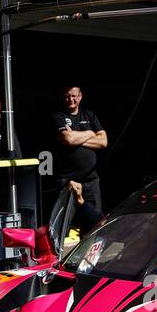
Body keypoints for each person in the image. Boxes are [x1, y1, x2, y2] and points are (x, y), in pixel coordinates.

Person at [52, 85, 108, 228]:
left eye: (74, 96)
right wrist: (90, 133)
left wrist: (77, 139)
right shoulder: (59, 116)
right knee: (64, 225)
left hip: (91, 182)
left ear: (80, 97)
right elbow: (68, 139)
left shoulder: (89, 115)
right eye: (67, 96)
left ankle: (94, 250)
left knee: (96, 223)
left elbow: (103, 142)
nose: (71, 99)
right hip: (68, 181)